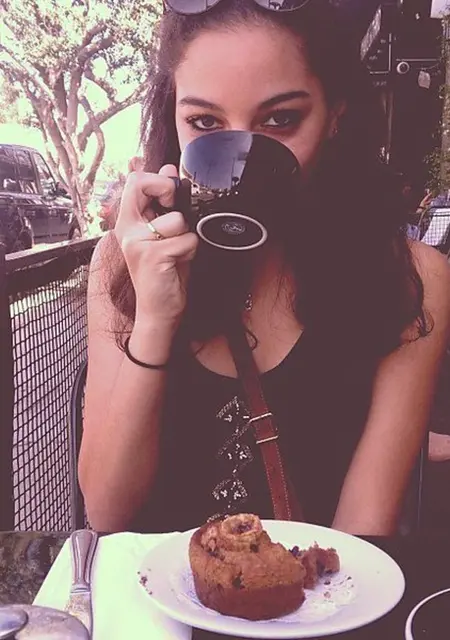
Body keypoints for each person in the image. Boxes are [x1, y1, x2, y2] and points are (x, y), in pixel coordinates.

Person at [79, 0, 450, 536]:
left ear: (336, 116)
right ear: (174, 117)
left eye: (280, 119)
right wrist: (155, 317)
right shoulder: (123, 260)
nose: (240, 160)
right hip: (151, 586)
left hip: (312, 583)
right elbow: (106, 512)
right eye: (205, 123)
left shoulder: (410, 280)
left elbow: (363, 532)